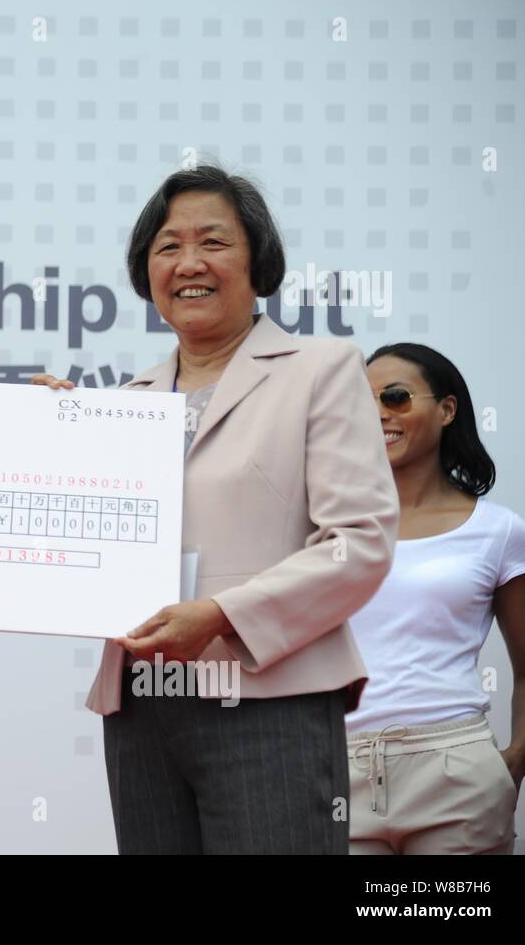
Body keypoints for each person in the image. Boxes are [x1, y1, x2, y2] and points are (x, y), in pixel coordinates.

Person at [34, 165, 398, 853]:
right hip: (143, 704)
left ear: (259, 262)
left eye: (213, 242)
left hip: (267, 696)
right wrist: (46, 442)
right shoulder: (126, 402)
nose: (189, 263)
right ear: (147, 274)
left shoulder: (320, 368)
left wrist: (224, 615)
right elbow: (83, 544)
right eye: (168, 246)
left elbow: (361, 539)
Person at [346, 344, 525, 854]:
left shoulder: (499, 532)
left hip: (455, 772)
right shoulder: (325, 527)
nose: (379, 414)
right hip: (335, 774)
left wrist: (517, 758)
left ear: (447, 410)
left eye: (395, 396)